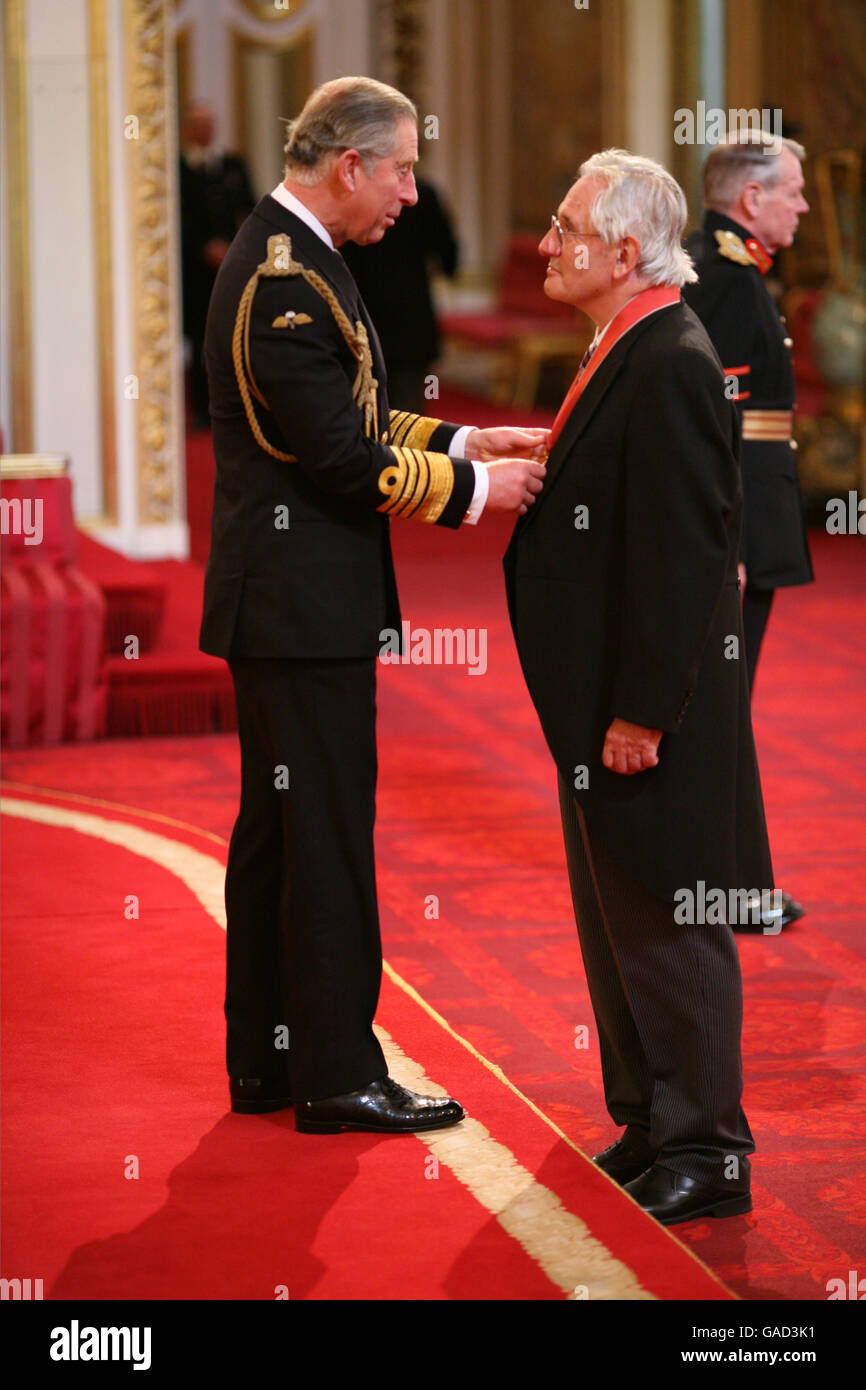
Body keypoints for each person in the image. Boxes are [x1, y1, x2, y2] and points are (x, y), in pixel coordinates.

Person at [199, 77, 547, 1134]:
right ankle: (339, 1073)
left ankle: (268, 1063)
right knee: (327, 837)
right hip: (300, 610)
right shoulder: (286, 280)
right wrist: (480, 493)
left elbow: (345, 415)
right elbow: (341, 460)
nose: (407, 192)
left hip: (289, 602)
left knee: (279, 832)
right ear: (347, 164)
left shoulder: (298, 259)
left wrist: (455, 439)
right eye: (399, 169)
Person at [504, 149, 772, 1224]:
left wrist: (639, 712)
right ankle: (653, 1118)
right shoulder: (629, 338)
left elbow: (682, 554)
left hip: (643, 710)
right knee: (618, 917)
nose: (545, 244)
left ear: (624, 251)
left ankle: (708, 1144)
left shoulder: (666, 354)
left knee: (667, 920)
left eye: (564, 227)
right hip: (602, 701)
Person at [684, 131, 813, 932]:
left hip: (746, 528)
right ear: (750, 199)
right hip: (735, 533)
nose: (803, 205)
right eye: (792, 191)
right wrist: (726, 548)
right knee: (720, 712)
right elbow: (715, 427)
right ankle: (731, 890)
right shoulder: (727, 282)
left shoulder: (739, 271)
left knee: (726, 709)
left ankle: (736, 883)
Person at [342, 174, 459, 414]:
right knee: (409, 414)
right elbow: (448, 254)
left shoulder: (355, 195)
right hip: (410, 317)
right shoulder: (423, 195)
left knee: (365, 411)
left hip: (362, 316)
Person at [179, 102, 256, 427]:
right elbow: (175, 220)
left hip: (232, 266)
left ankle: (237, 403)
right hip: (196, 271)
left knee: (235, 334)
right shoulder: (178, 170)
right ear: (187, 129)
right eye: (197, 123)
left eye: (209, 123)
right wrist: (203, 248)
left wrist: (235, 248)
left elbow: (250, 210)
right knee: (200, 339)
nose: (204, 129)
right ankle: (201, 408)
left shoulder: (232, 165)